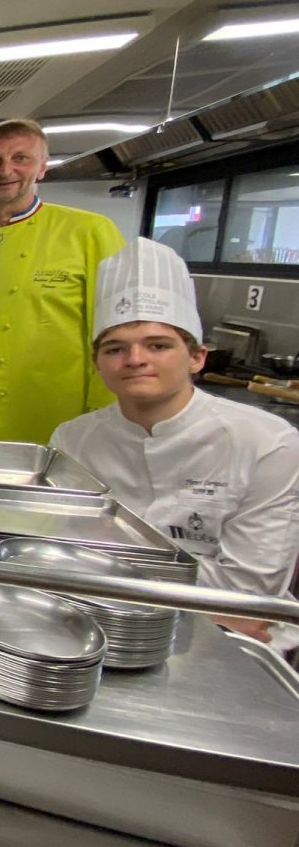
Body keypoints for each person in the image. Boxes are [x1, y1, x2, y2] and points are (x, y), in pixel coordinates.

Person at [50, 239, 299, 650]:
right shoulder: (73, 439)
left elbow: (247, 595)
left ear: (197, 357)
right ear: (98, 363)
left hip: (228, 646)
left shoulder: (266, 444)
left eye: (158, 345)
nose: (135, 359)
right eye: (115, 348)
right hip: (97, 631)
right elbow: (68, 556)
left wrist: (112, 577)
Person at [0, 117, 125, 444]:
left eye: (21, 158)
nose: (5, 171)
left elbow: (117, 336)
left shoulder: (89, 233)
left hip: (63, 426)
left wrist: (106, 419)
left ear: (42, 168)